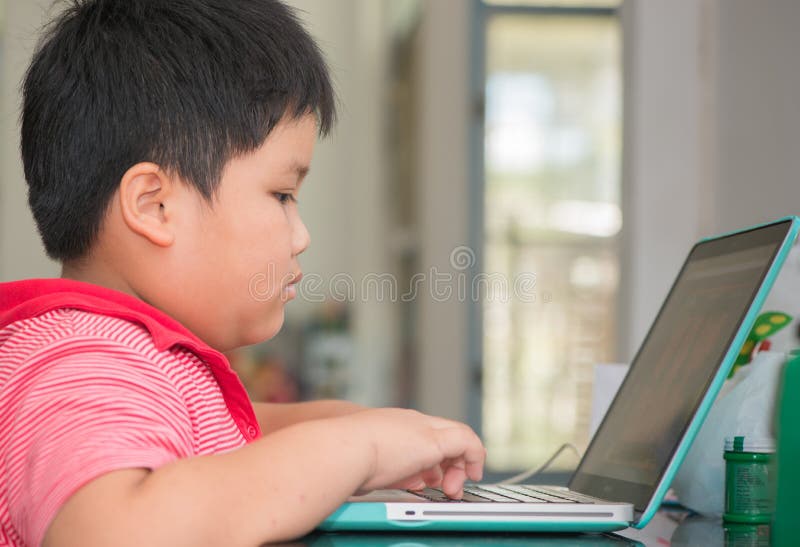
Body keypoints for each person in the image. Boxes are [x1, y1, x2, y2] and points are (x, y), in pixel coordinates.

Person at [0, 1, 485, 545]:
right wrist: (358, 448)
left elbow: (232, 435)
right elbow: (116, 531)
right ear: (155, 206)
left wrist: (360, 425)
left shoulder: (120, 357)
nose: (301, 236)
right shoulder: (88, 363)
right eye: (281, 195)